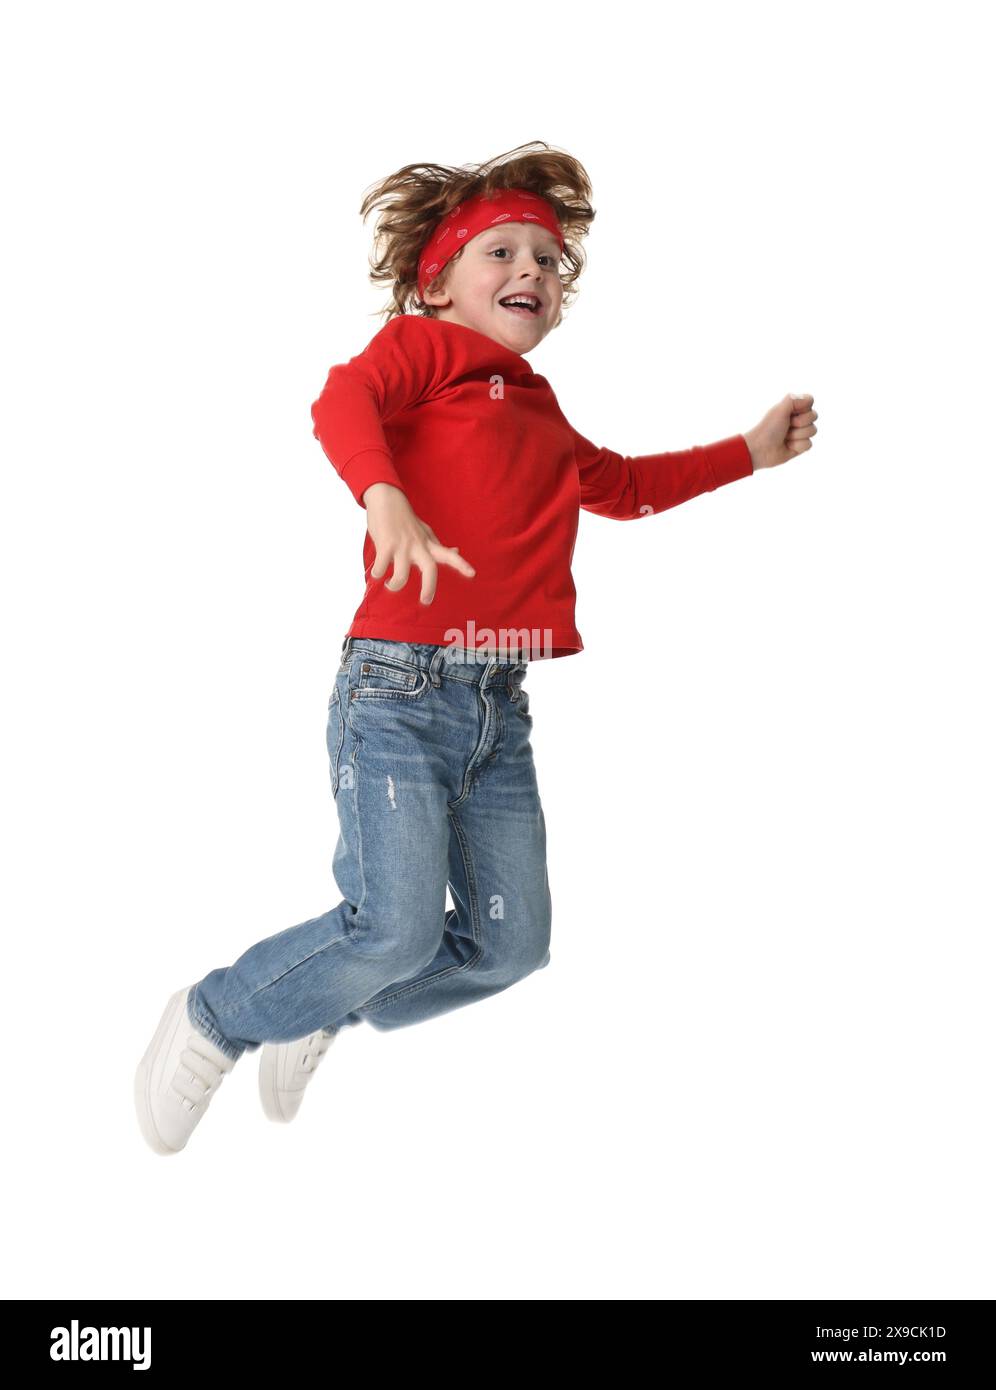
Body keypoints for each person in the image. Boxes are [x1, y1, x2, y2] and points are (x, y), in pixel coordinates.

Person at [134, 140, 818, 1155]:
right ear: (436, 281)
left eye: (547, 260)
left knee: (510, 946)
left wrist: (748, 454)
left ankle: (326, 999)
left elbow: (624, 486)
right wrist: (386, 498)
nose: (532, 272)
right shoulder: (423, 355)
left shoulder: (537, 409)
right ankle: (219, 1014)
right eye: (502, 252)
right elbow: (340, 401)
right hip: (400, 695)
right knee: (395, 926)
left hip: (498, 708)